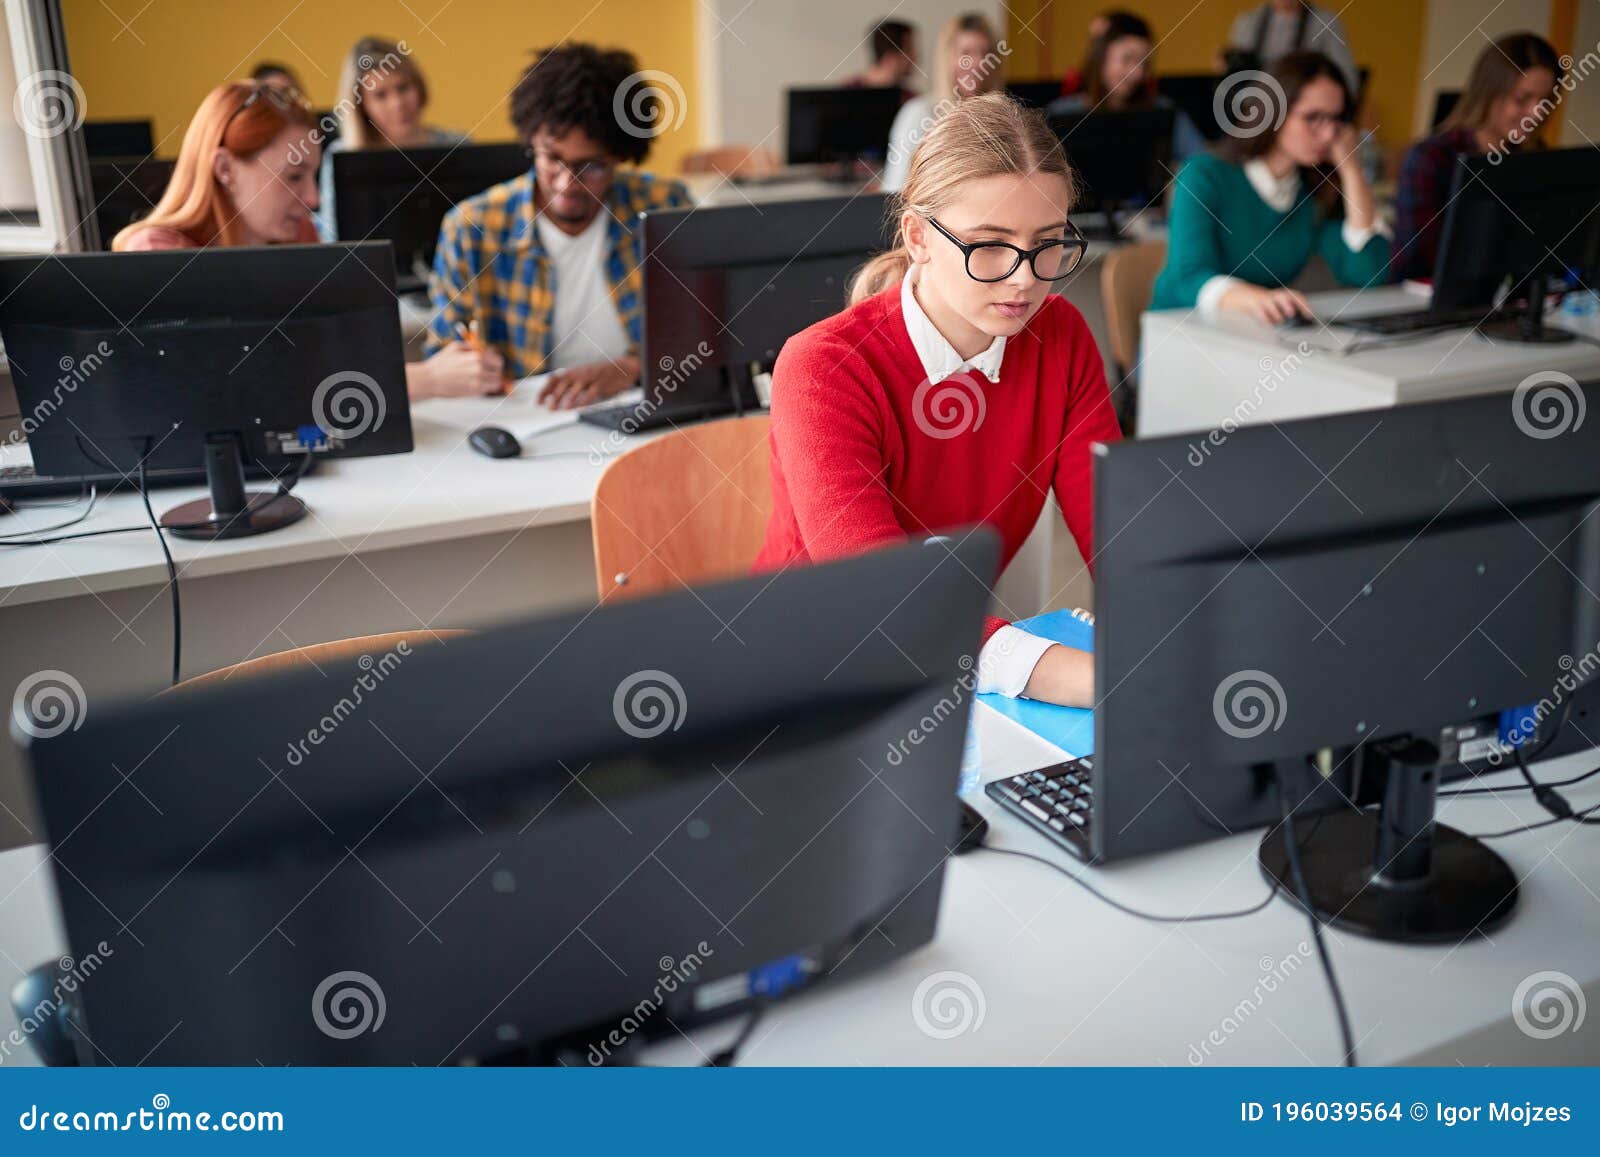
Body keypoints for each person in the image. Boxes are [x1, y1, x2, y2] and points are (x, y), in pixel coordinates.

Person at [756, 93, 1120, 707]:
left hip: (951, 658)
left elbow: (1120, 534)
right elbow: (881, 597)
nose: (1025, 277)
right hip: (814, 674)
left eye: (1049, 241)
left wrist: (1179, 624)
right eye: (991, 244)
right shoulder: (824, 366)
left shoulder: (1061, 334)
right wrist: (1101, 681)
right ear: (919, 236)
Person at [111, 82, 501, 401]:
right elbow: (236, 386)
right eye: (295, 177)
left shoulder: (295, 236)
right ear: (225, 168)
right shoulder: (155, 255)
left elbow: (331, 357)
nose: (313, 199)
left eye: (313, 178)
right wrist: (426, 380)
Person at [425, 44, 692, 410]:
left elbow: (707, 336)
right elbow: (442, 358)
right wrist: (462, 370)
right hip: (526, 423)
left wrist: (634, 367)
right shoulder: (472, 229)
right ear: (532, 141)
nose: (567, 184)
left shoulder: (666, 209)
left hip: (644, 408)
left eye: (591, 166)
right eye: (552, 158)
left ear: (620, 157)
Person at [1150, 52, 1389, 324]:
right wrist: (1254, 298)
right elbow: (1188, 277)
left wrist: (1351, 169)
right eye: (1313, 118)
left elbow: (1369, 273)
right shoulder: (1204, 175)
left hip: (1251, 339)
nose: (1328, 135)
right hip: (1178, 337)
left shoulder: (1312, 191)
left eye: (1336, 120)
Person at [1392, 32, 1563, 283]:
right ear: (1489, 93)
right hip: (1429, 303)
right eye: (1522, 98)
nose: (1536, 112)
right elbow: (1417, 259)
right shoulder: (1431, 158)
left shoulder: (1536, 158)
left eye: (1545, 100)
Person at [317, 38, 466, 241]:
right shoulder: (342, 158)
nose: (397, 104)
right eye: (380, 95)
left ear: (418, 86)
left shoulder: (457, 145)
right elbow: (332, 239)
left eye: (403, 88)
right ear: (361, 106)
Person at [1047, 10, 1205, 162]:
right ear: (1101, 56)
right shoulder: (1060, 115)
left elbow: (1202, 159)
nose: (1137, 73)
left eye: (1145, 63)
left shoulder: (1163, 110)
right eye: (1127, 58)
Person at [882, 13, 1003, 192]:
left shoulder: (1003, 116)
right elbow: (895, 189)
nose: (978, 63)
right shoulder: (919, 113)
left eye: (985, 53)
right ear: (948, 58)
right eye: (966, 53)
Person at [1223, 0, 1359, 95]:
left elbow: (1347, 79)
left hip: (1303, 107)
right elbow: (1235, 78)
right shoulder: (1248, 21)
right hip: (1257, 108)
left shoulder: (1324, 22)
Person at [845, 19, 918, 104]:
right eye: (910, 51)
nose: (915, 58)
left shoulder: (912, 100)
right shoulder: (843, 96)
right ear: (891, 56)